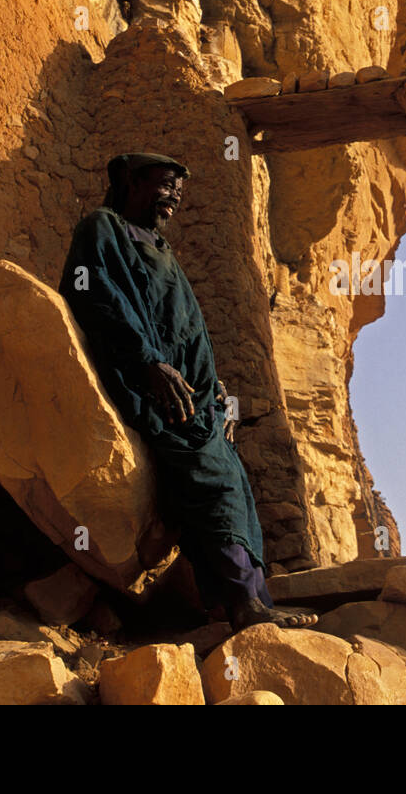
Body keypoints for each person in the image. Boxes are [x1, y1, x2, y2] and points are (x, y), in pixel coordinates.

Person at [59, 152, 316, 630]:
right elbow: (97, 295)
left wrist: (213, 388)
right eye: (163, 185)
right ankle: (243, 605)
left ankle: (250, 600)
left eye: (178, 190)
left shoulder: (161, 248)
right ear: (131, 183)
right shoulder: (103, 229)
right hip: (147, 386)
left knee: (235, 483)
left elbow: (186, 328)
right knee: (210, 480)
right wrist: (148, 363)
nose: (173, 197)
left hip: (193, 398)